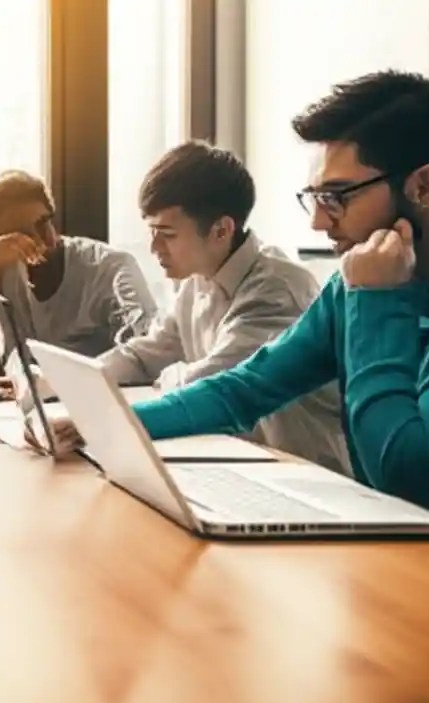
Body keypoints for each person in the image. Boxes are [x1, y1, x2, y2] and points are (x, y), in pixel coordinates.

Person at [48, 71, 429, 515]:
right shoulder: (352, 288)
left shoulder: (367, 288)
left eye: (338, 197)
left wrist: (378, 301)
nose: (318, 222)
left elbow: (410, 479)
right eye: (315, 197)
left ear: (426, 187)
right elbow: (245, 389)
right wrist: (101, 424)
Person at [96, 141, 349, 472]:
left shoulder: (276, 291)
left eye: (166, 234)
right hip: (239, 461)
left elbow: (212, 387)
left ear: (221, 230)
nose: (154, 247)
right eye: (151, 231)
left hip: (306, 474)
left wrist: (170, 375)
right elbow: (144, 356)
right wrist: (50, 383)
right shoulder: (196, 280)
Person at [0, 169, 157, 381]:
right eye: (23, 234)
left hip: (101, 400)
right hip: (33, 407)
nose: (45, 239)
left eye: (44, 222)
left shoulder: (110, 268)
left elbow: (145, 350)